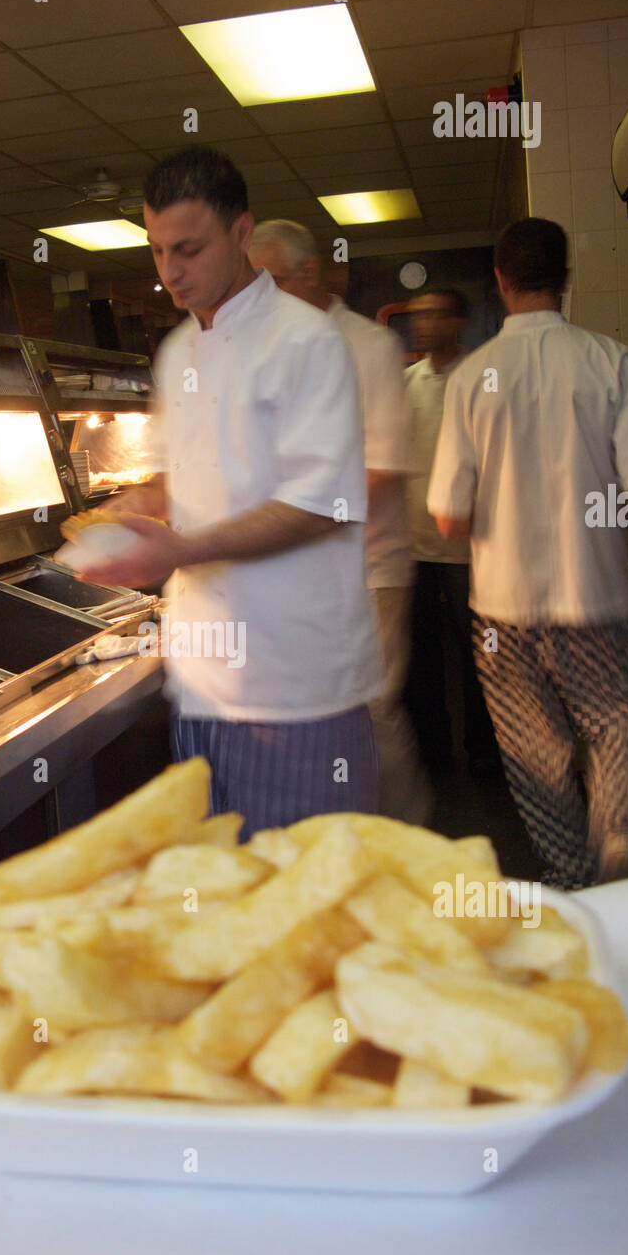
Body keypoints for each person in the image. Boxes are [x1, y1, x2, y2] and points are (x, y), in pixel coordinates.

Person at [78, 146, 384, 837]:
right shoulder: (177, 350)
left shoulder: (307, 342)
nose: (170, 272)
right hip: (200, 686)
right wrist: (140, 506)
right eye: (157, 251)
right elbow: (181, 474)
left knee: (304, 911)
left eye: (188, 249)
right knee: (221, 902)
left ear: (242, 234)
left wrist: (183, 547)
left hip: (291, 688)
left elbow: (322, 502)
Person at [428, 216, 628, 888]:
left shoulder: (469, 379)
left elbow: (449, 518)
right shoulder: (610, 361)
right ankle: (623, 873)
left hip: (502, 618)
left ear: (501, 282)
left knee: (537, 767)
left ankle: (569, 885)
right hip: (596, 603)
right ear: (566, 280)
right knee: (623, 739)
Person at [248, 218, 431, 825]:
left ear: (311, 272)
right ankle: (346, 849)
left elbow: (380, 470)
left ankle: (414, 843)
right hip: (299, 574)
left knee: (370, 711)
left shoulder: (366, 345)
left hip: (368, 569)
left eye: (270, 279)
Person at [402, 289, 499, 779]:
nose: (423, 323)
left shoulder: (481, 376)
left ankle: (483, 751)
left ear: (459, 321)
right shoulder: (406, 383)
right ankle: (433, 751)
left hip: (467, 545)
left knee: (477, 653)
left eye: (435, 314)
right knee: (420, 655)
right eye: (418, 315)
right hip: (414, 543)